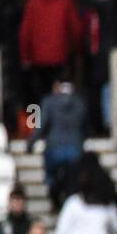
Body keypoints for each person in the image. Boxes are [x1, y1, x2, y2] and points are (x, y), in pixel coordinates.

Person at [18, 0, 81, 110]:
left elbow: (25, 33)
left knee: (40, 93)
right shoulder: (65, 2)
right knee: (61, 92)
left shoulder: (33, 3)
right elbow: (75, 29)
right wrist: (75, 51)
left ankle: (40, 124)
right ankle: (59, 123)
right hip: (61, 56)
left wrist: (25, 56)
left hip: (37, 59)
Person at [34, 74, 86, 206]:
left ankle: (54, 195)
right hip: (75, 148)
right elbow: (85, 125)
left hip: (54, 148)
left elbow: (42, 125)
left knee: (51, 174)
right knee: (73, 178)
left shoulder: (49, 101)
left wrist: (31, 142)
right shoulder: (80, 102)